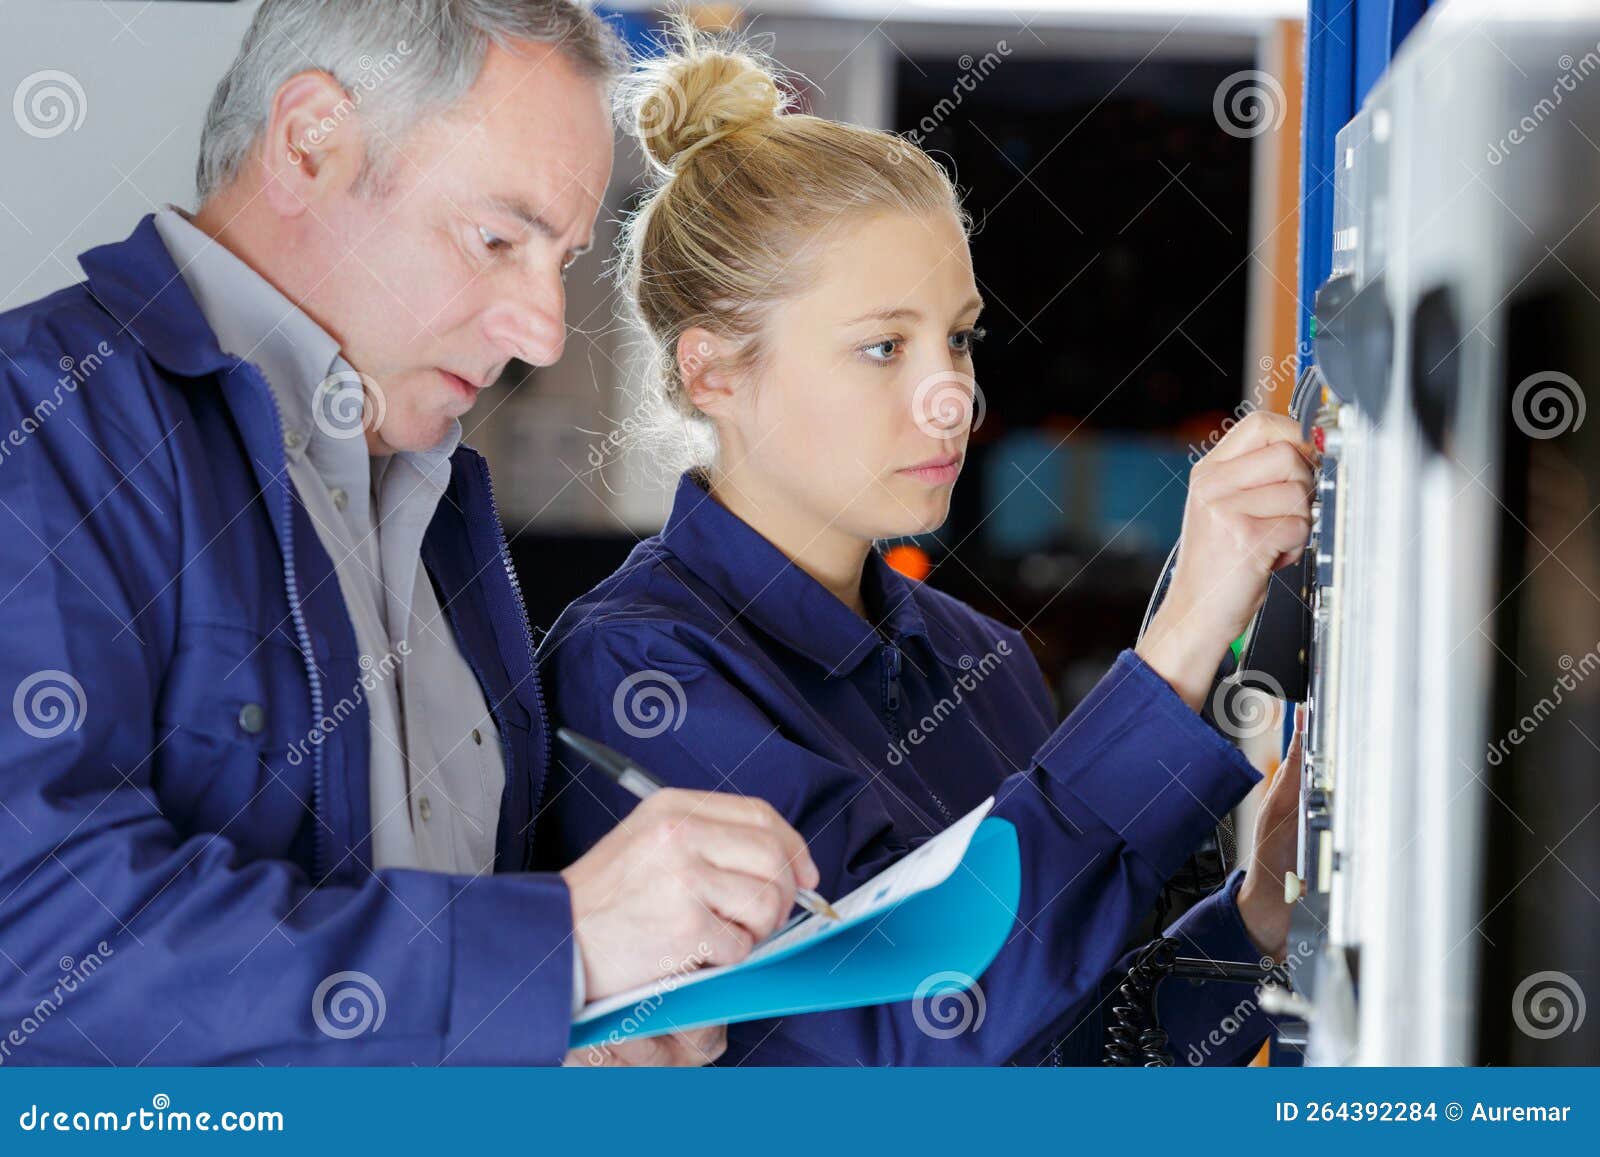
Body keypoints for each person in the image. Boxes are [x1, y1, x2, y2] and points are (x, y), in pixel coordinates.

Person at [0, 0, 823, 1068]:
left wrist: (575, 1029)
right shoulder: (42, 422)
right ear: (310, 144)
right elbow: (36, 948)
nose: (541, 327)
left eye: (561, 259)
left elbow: (424, 976)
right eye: (496, 238)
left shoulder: (438, 509)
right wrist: (556, 947)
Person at [535, 26, 1313, 1066]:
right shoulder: (639, 670)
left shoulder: (976, 660)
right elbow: (920, 1030)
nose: (949, 395)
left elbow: (1073, 1046)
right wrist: (1180, 643)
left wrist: (1250, 920)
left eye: (957, 336)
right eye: (881, 346)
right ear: (714, 371)